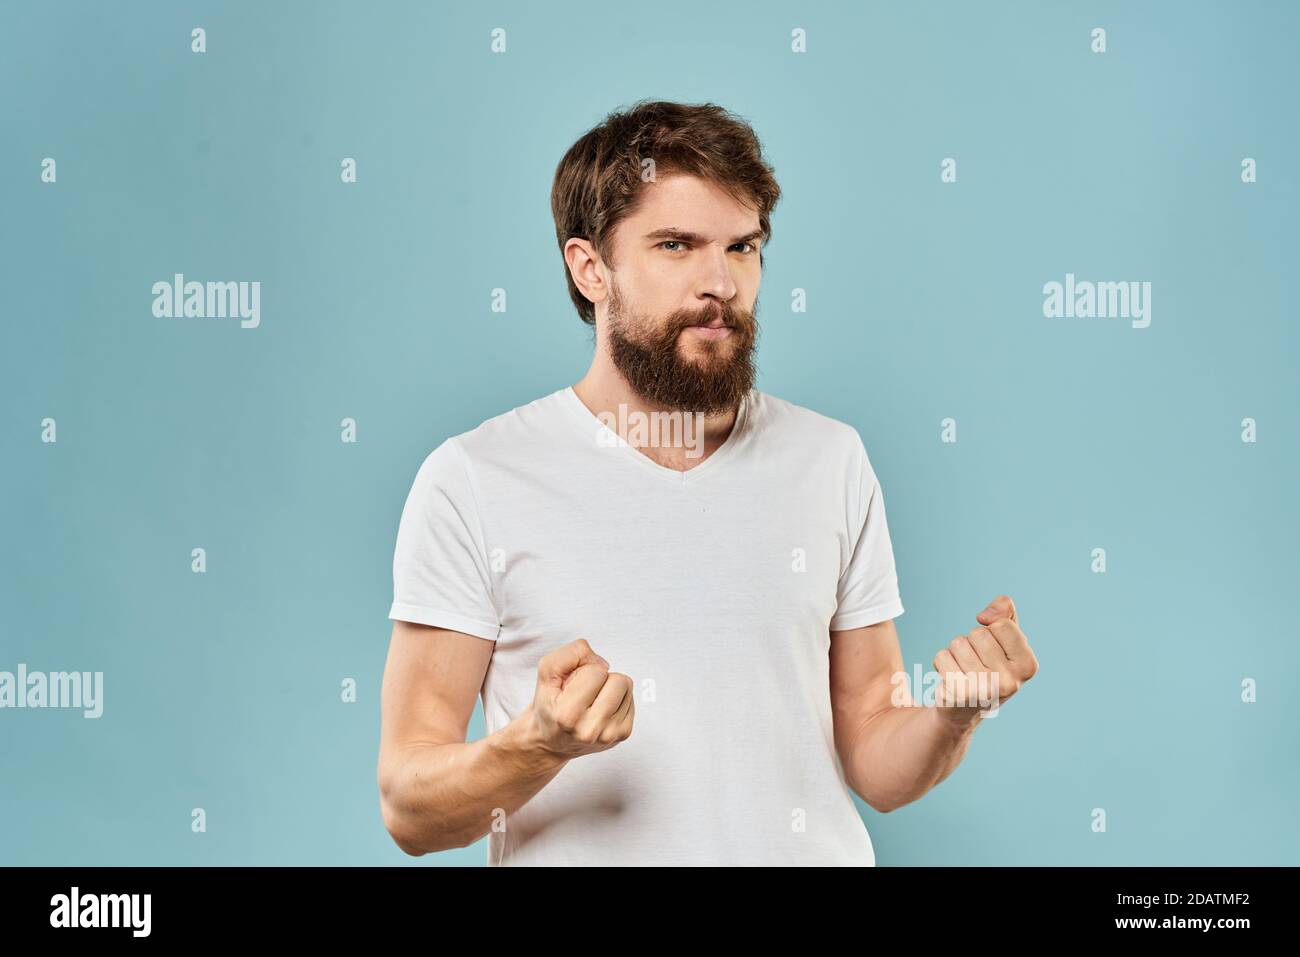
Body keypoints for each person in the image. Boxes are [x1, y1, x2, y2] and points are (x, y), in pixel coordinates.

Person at [377, 100, 1039, 866]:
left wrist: (954, 714)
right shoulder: (475, 479)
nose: (719, 282)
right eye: (676, 245)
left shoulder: (831, 459)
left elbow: (874, 758)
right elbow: (409, 806)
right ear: (590, 268)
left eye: (743, 247)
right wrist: (536, 744)